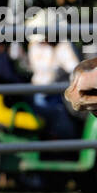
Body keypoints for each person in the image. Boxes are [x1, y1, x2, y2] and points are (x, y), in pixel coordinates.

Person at [23, 9, 81, 139]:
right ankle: (70, 147)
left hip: (39, 93)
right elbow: (75, 69)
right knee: (65, 125)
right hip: (50, 96)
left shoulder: (34, 45)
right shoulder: (60, 47)